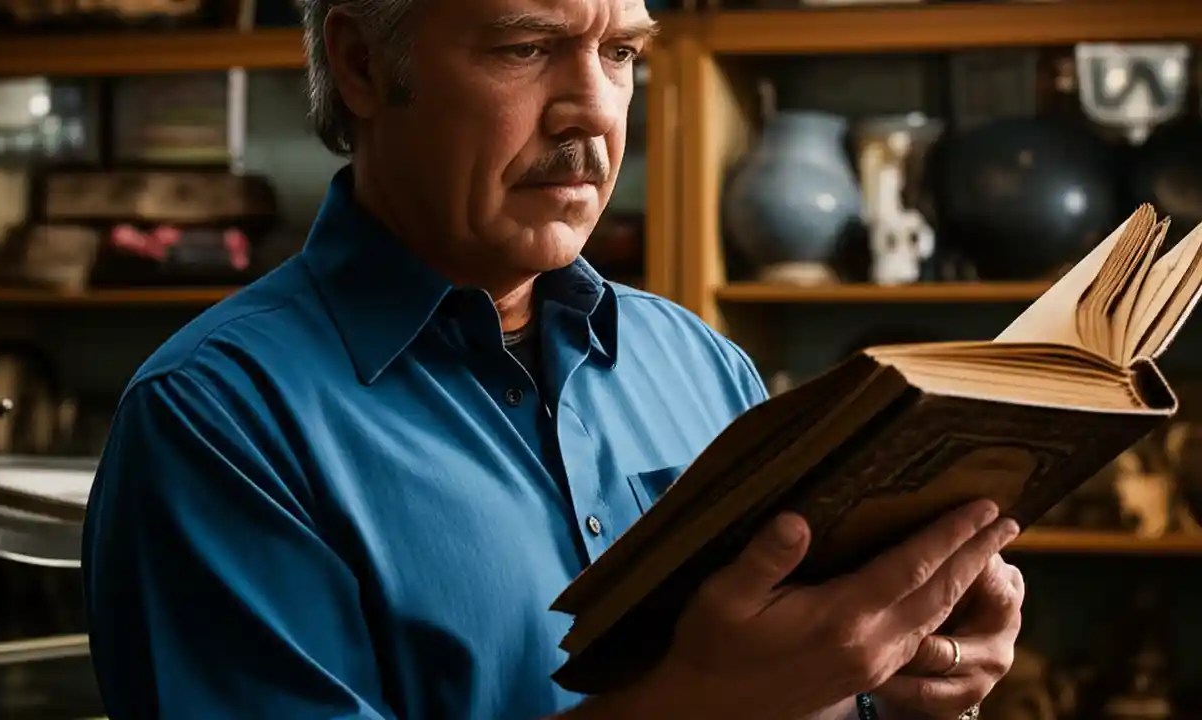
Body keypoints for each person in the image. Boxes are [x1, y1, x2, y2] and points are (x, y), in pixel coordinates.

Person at [81, 0, 1025, 717]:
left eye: (619, 53)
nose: (592, 113)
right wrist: (699, 703)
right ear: (363, 64)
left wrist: (899, 677)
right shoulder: (214, 420)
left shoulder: (704, 367)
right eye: (525, 47)